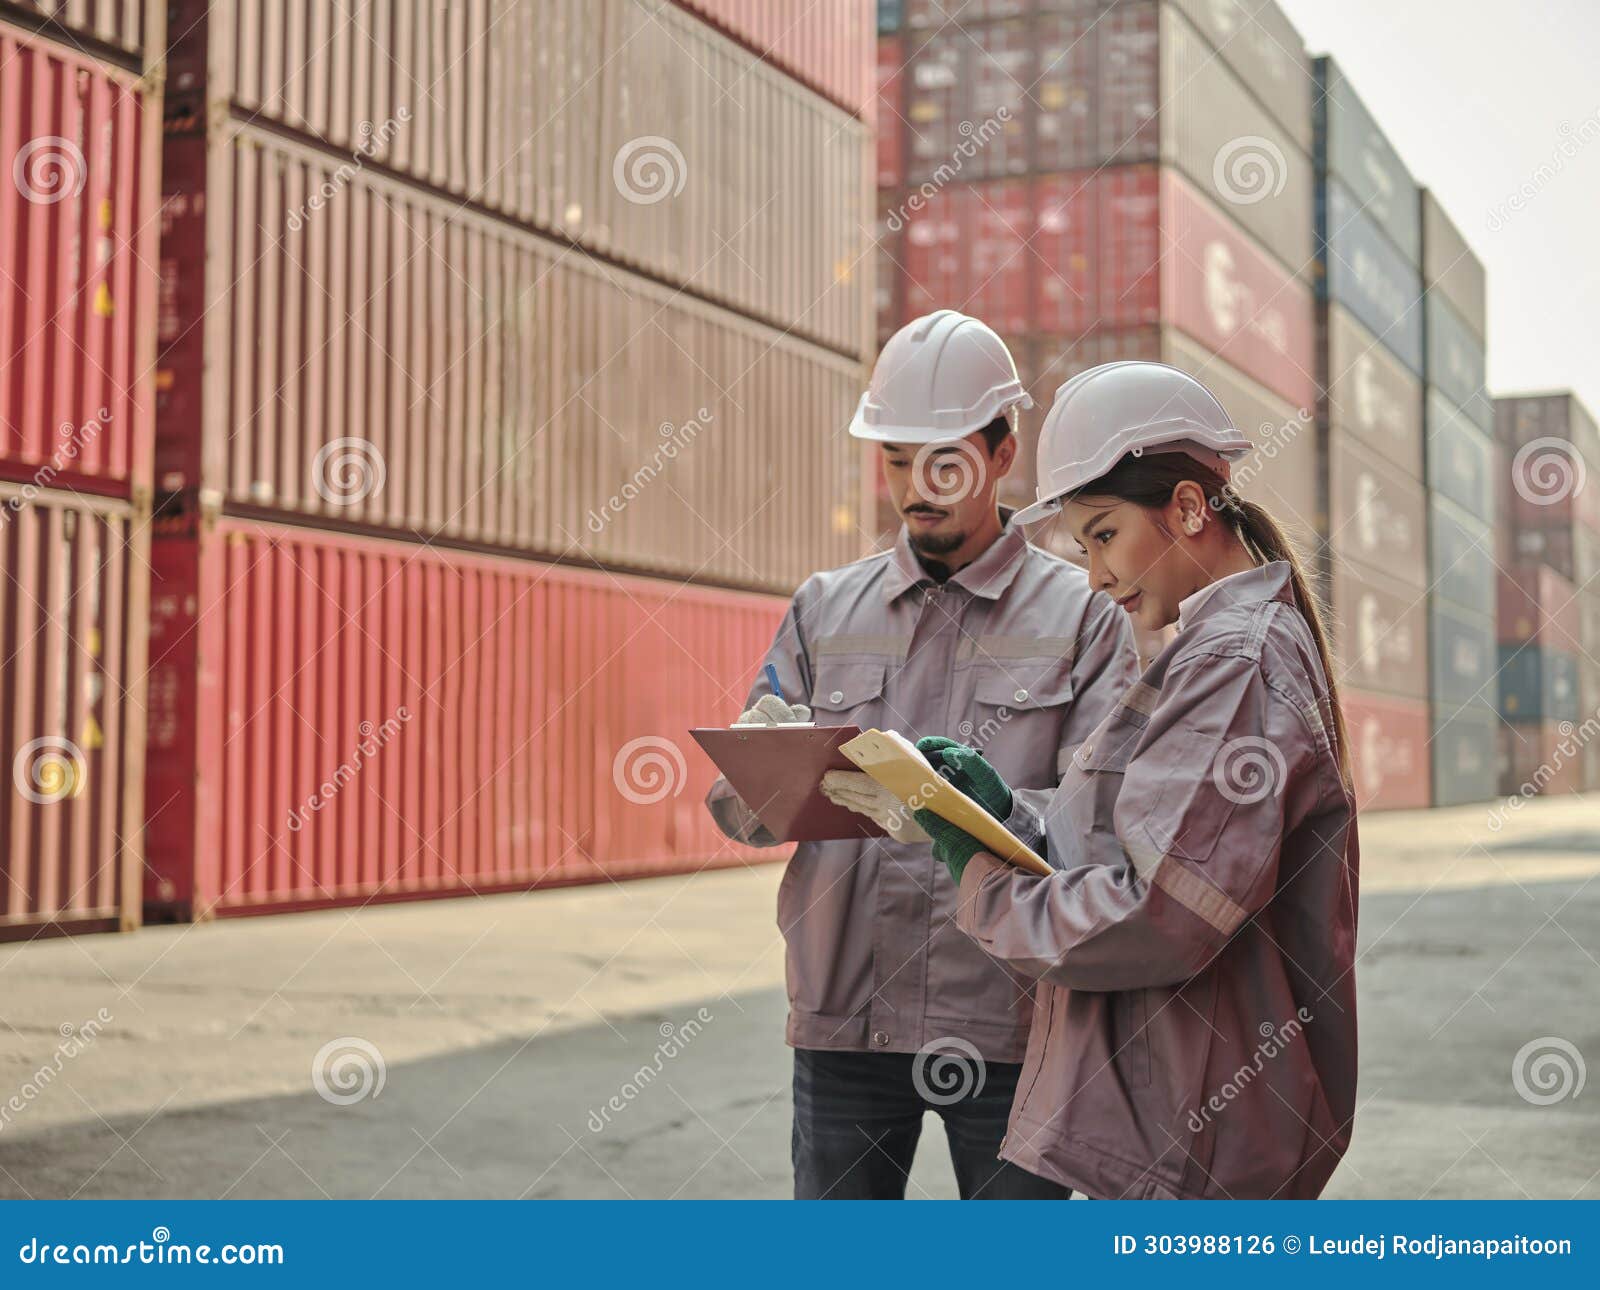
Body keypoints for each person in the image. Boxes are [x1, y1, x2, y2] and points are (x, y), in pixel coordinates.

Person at [704, 311, 1140, 1199]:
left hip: (1011, 1023)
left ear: (1002, 450)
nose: (916, 486)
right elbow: (740, 815)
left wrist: (991, 810)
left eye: (944, 459)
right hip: (845, 1021)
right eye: (898, 459)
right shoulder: (823, 609)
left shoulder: (1085, 618)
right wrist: (763, 773)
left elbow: (1103, 830)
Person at [911, 360, 1359, 1200]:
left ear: (1188, 508)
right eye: (1082, 548)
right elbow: (1143, 834)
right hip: (1181, 1110)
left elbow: (1162, 914)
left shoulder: (1238, 661)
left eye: (1105, 535)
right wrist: (1009, 813)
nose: (1095, 576)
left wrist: (981, 878)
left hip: (1204, 1127)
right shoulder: (1210, 650)